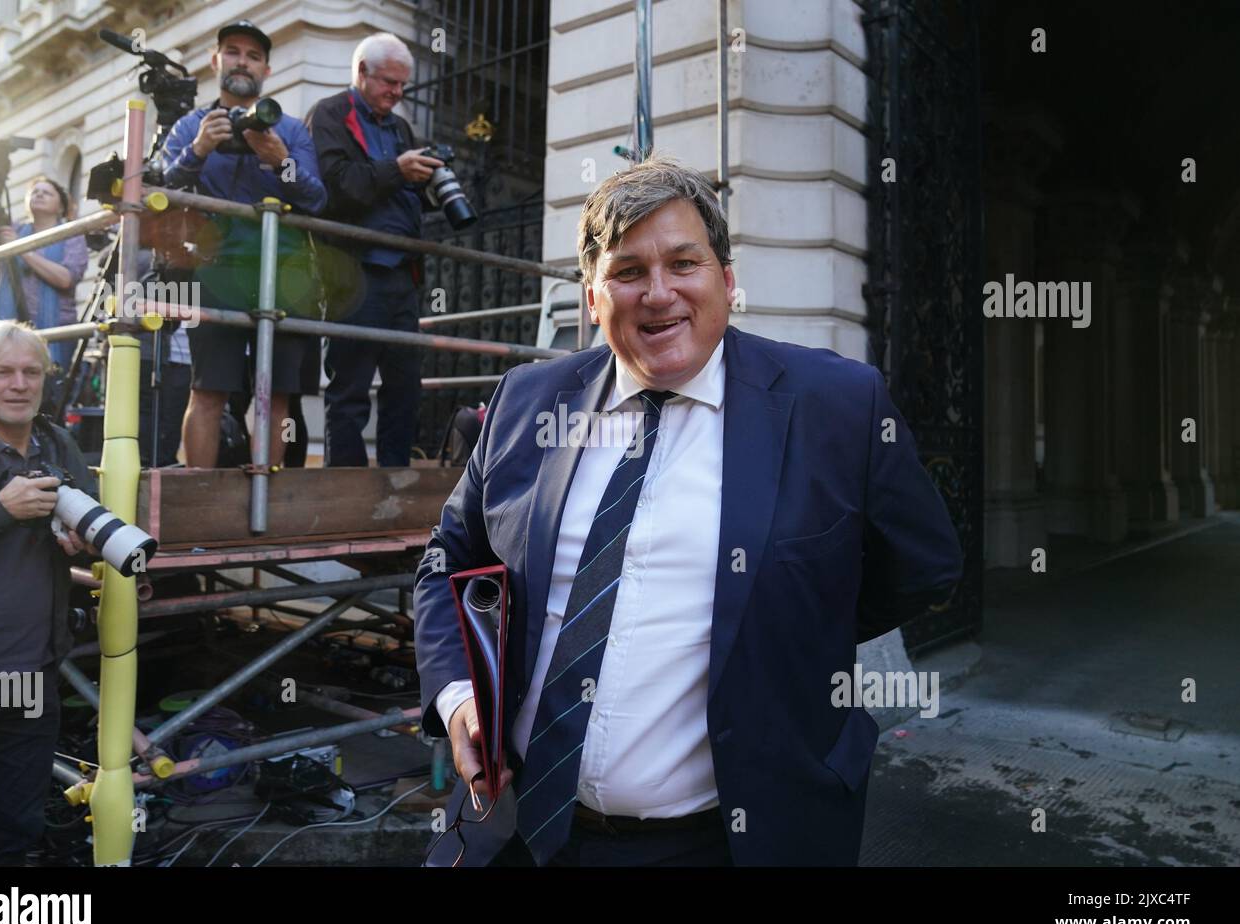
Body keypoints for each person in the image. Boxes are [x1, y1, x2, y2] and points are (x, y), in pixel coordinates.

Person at [413, 156, 964, 866]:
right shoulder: (526, 401)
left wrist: (785, 626)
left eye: (684, 262)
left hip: (733, 843)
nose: (659, 292)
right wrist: (460, 696)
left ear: (728, 282)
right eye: (629, 271)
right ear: (592, 296)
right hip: (512, 828)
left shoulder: (838, 407)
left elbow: (924, 569)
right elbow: (447, 561)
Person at [0, 321, 96, 866]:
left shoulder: (58, 443)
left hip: (30, 674)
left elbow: (95, 528)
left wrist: (84, 543)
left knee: (12, 832)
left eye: (32, 372)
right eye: (2, 372)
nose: (19, 384)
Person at [161, 19, 327, 468]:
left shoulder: (288, 129)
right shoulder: (190, 126)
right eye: (233, 51)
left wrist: (281, 161)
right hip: (217, 269)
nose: (242, 61)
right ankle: (200, 497)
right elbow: (159, 194)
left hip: (286, 271)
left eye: (253, 56)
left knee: (275, 396)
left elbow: (316, 199)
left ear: (267, 71)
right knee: (208, 388)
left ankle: (265, 499)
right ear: (216, 61)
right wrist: (197, 150)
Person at [306, 32, 441, 467]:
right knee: (350, 386)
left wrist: (429, 183)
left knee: (405, 385)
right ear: (361, 72)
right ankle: (343, 490)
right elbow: (336, 186)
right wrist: (397, 170)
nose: (397, 94)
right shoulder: (328, 114)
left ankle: (394, 482)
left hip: (401, 273)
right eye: (389, 83)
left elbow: (399, 194)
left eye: (403, 85)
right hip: (354, 270)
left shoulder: (400, 127)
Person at [0, 176, 89, 371]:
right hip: (6, 330)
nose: (39, 194)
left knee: (47, 389)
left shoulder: (72, 234)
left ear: (60, 207)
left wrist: (20, 248)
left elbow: (65, 278)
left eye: (47, 192)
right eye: (35, 192)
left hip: (56, 331)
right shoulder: (12, 230)